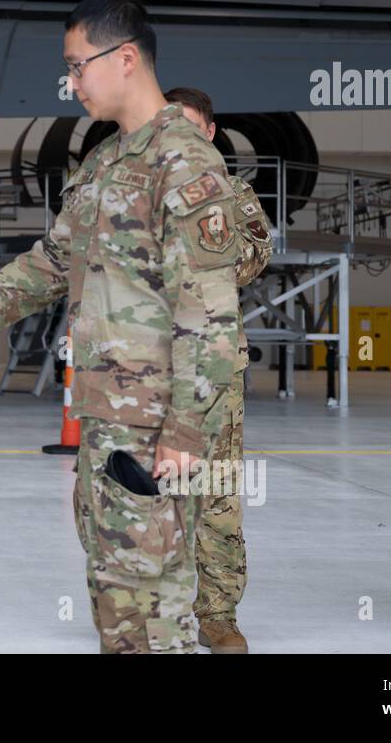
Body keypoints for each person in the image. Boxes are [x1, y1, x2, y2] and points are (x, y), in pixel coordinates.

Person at [0, 0, 241, 652]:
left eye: (79, 66)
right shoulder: (107, 163)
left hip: (157, 429)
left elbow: (209, 311)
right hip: (109, 422)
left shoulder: (185, 163)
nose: (71, 82)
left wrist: (186, 431)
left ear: (126, 58)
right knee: (116, 600)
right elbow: (50, 263)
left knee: (156, 608)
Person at [170, 86, 273, 654]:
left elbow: (251, 259)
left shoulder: (236, 195)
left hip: (212, 368)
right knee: (142, 494)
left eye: (190, 128)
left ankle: (218, 615)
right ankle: (150, 611)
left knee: (216, 492)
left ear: (209, 132)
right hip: (145, 369)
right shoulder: (132, 194)